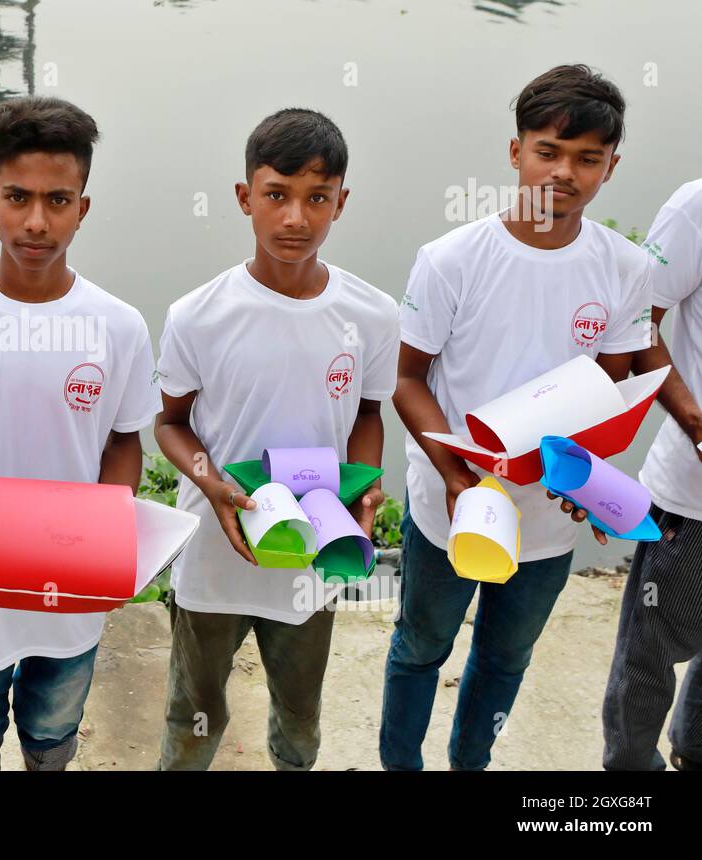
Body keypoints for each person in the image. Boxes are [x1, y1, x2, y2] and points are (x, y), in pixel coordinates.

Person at [383, 64, 653, 771]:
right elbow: (408, 379)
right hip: (453, 503)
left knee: (505, 657)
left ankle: (470, 762)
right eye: (548, 151)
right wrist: (453, 476)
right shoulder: (452, 261)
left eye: (587, 158)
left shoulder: (625, 269)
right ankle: (399, 764)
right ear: (516, 152)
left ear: (610, 167)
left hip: (547, 515)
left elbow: (610, 392)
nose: (564, 172)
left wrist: (591, 483)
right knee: (421, 646)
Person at [0, 96, 160, 770]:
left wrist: (110, 530)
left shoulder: (118, 326)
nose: (36, 222)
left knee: (52, 736)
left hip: (71, 603)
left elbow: (124, 441)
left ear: (84, 207)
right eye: (18, 197)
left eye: (58, 200)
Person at [154, 108, 398, 770]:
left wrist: (367, 484)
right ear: (245, 198)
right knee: (195, 715)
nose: (295, 218)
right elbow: (170, 423)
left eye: (317, 198)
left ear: (340, 203)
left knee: (300, 717)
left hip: (311, 557)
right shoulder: (200, 315)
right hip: (213, 553)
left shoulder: (371, 315)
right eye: (277, 196)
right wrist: (211, 482)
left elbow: (370, 413)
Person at [602, 178, 702, 771]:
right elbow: (639, 320)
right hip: (694, 497)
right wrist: (695, 423)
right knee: (649, 656)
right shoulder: (697, 206)